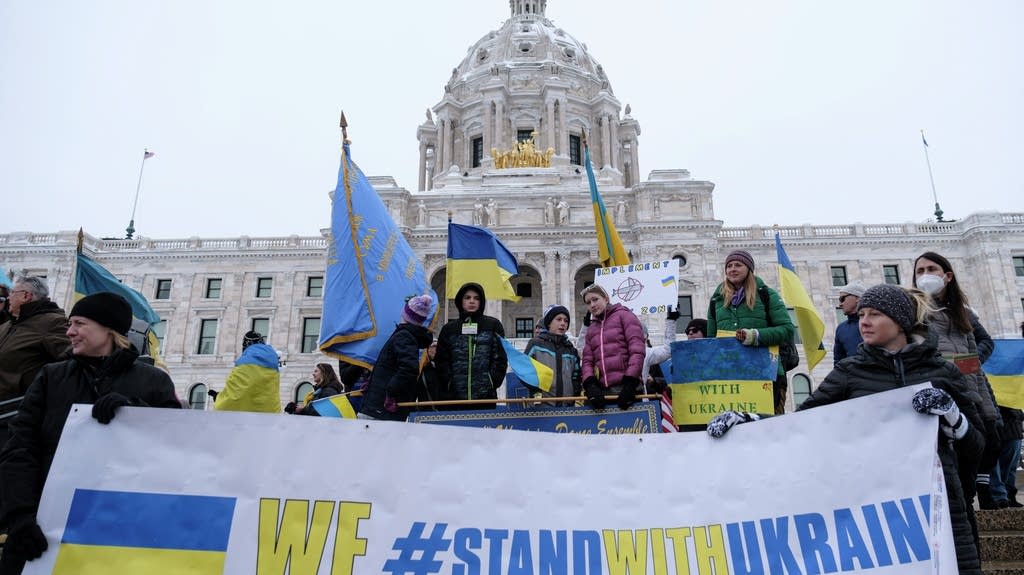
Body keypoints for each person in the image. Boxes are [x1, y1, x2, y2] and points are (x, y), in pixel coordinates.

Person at [708, 284, 986, 574]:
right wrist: (750, 420)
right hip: (876, 509)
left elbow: (977, 446)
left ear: (900, 321)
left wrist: (953, 416)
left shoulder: (943, 372)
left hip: (940, 507)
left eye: (875, 314)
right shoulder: (850, 371)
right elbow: (801, 424)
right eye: (862, 314)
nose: (863, 322)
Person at [0, 292, 180, 574]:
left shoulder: (153, 382)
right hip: (43, 527)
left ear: (109, 329)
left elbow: (176, 449)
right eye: (70, 323)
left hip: (119, 532)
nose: (69, 332)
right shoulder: (51, 377)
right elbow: (20, 448)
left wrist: (135, 411)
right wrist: (20, 516)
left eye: (79, 323)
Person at [912, 251, 1002, 509]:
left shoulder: (963, 312)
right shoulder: (913, 309)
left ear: (948, 276)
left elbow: (985, 342)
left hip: (971, 389)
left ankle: (978, 495)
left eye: (931, 269)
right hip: (940, 390)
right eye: (920, 271)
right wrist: (944, 367)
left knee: (983, 445)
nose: (925, 275)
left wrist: (967, 364)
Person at [706, 250, 795, 414]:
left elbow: (787, 329)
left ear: (749, 269)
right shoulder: (716, 300)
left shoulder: (766, 294)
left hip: (766, 373)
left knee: (768, 424)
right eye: (729, 266)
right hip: (730, 375)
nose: (732, 269)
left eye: (738, 265)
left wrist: (755, 336)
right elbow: (711, 340)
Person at [359, 294, 434, 421]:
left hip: (380, 408)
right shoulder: (406, 335)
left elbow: (409, 369)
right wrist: (372, 383)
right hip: (379, 403)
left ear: (405, 314)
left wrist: (390, 391)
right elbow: (390, 366)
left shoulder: (404, 336)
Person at [435, 283, 507, 409]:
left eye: (476, 298)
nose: (472, 301)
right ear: (460, 301)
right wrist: (449, 382)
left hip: (485, 397)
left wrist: (491, 382)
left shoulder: (493, 325)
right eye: (467, 298)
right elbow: (441, 360)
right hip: (454, 397)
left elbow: (500, 358)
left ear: (481, 302)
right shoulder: (449, 329)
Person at [0, 276, 71, 404]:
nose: (8, 297)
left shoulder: (51, 322)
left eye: (12, 293)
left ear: (26, 296)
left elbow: (72, 361)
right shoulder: (7, 324)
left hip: (16, 405)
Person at [579, 284, 646, 410]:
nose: (592, 305)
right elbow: (587, 360)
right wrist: (590, 384)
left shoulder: (625, 315)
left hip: (626, 388)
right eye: (588, 302)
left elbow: (637, 350)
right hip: (602, 392)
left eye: (595, 299)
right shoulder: (591, 328)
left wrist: (631, 382)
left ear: (606, 298)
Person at [210, 331, 281, 413]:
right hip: (268, 414)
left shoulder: (242, 365)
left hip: (241, 417)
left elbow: (234, 396)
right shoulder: (273, 367)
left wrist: (218, 397)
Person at [524, 305, 581, 405]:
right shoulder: (535, 345)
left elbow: (576, 376)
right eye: (559, 319)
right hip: (542, 407)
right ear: (549, 323)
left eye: (566, 321)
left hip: (567, 407)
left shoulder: (571, 350)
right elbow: (524, 371)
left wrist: (575, 394)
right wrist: (536, 391)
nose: (563, 323)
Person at [990, 405, 1023, 508]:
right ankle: (1001, 496)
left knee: (1010, 468)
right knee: (1003, 467)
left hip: (1014, 431)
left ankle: (1007, 496)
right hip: (1006, 431)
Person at [833, 280, 866, 365]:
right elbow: (838, 362)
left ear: (857, 298)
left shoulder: (875, 323)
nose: (840, 304)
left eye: (842, 299)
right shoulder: (841, 329)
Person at [415, 341, 443, 409]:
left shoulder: (437, 368)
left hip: (436, 407)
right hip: (425, 409)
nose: (435, 350)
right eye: (433, 346)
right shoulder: (422, 370)